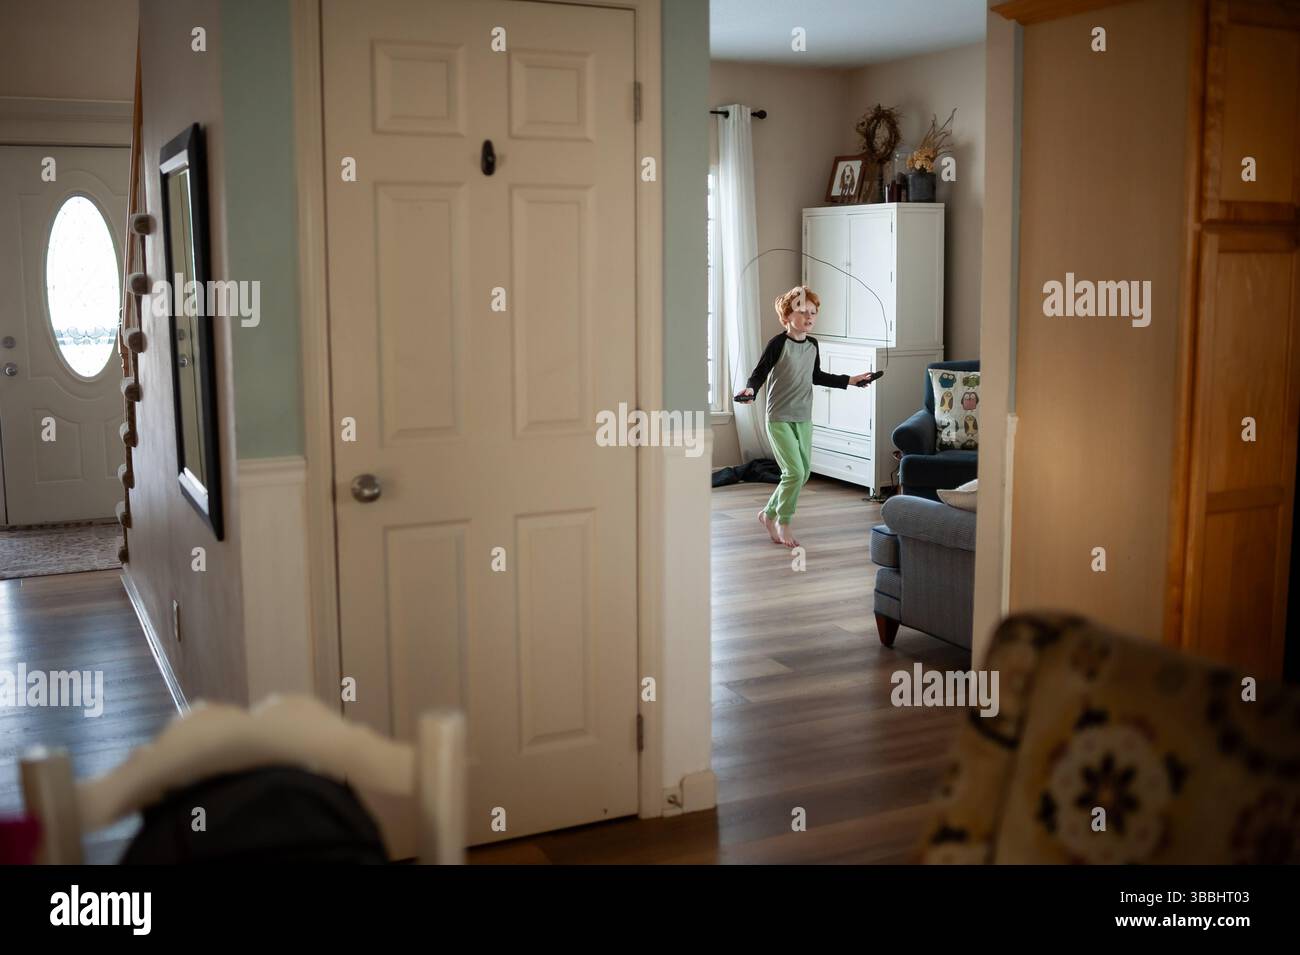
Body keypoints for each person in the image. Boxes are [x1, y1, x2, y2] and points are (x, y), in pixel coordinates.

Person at [738, 286, 875, 548]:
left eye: (813, 312)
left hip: (803, 416)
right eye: (802, 312)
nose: (809, 317)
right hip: (778, 417)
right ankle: (783, 521)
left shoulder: (812, 345)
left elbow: (817, 376)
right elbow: (759, 374)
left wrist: (852, 380)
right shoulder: (778, 344)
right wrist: (750, 390)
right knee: (793, 472)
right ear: (787, 316)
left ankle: (767, 514)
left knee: (802, 474)